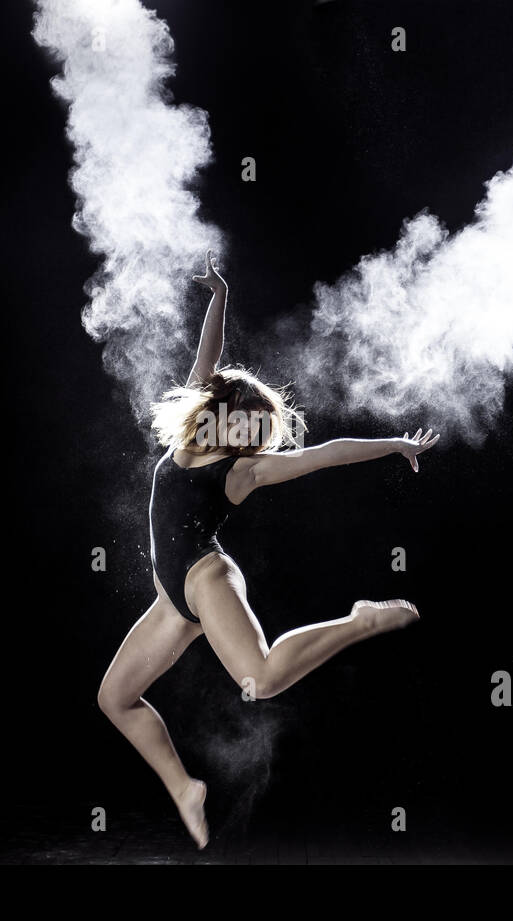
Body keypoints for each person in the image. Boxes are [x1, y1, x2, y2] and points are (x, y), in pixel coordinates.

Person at [96, 251, 440, 848]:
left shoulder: (247, 471)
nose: (255, 435)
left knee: (259, 681)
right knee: (115, 698)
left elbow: (322, 454)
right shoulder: (198, 431)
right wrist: (219, 295)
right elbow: (209, 358)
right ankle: (184, 788)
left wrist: (391, 444)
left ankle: (358, 622)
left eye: (261, 429)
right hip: (171, 601)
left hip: (207, 581)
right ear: (221, 411)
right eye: (248, 421)